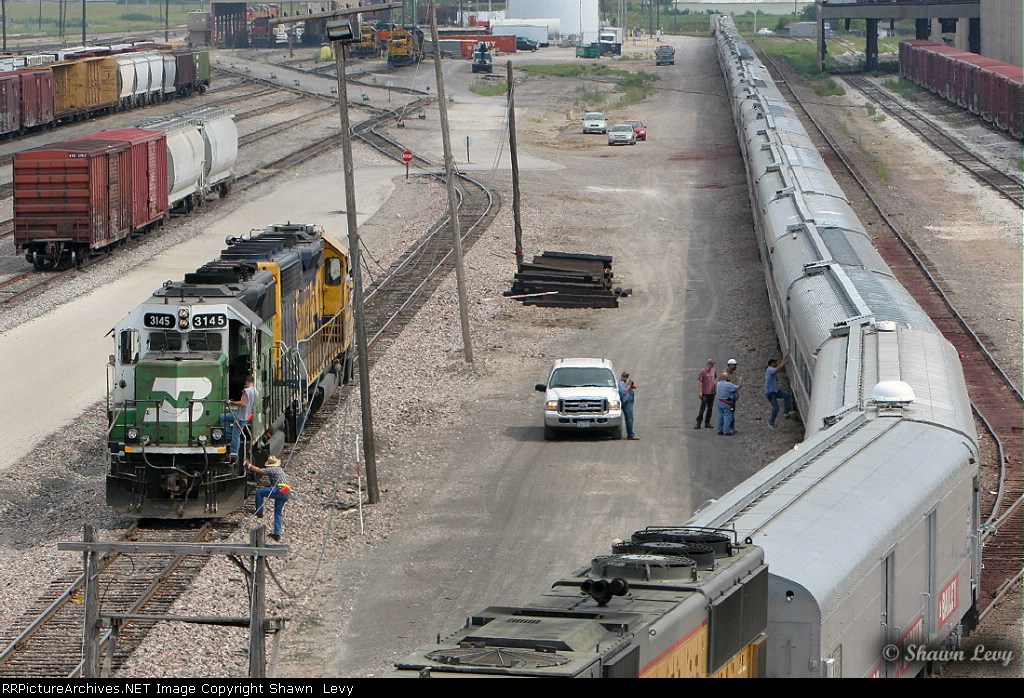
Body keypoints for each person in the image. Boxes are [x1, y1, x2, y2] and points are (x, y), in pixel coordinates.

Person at [246, 456, 291, 542]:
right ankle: (277, 534)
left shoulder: (272, 469)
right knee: (278, 513)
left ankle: (259, 512)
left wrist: (249, 465)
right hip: (287, 491)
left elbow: (260, 471)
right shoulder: (279, 469)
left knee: (259, 492)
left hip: (280, 489)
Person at [222, 375, 257, 460]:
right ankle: (229, 436)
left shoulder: (247, 391)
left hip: (241, 417)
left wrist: (230, 402)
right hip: (246, 415)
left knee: (236, 435)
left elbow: (242, 403)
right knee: (223, 417)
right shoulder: (255, 391)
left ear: (246, 381)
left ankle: (234, 453)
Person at [764, 355, 795, 430]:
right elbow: (777, 369)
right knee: (776, 408)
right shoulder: (770, 369)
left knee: (786, 395)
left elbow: (778, 367)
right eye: (775, 362)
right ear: (771, 364)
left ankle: (786, 412)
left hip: (775, 391)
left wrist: (784, 360)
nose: (776, 363)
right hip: (770, 393)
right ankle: (771, 423)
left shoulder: (772, 369)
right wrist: (784, 363)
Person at [716, 371, 741, 435]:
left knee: (720, 416)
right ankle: (726, 430)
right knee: (728, 415)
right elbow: (737, 387)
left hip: (719, 402)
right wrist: (740, 381)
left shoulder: (718, 384)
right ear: (726, 378)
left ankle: (719, 429)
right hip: (727, 403)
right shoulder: (728, 385)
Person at [695, 359, 717, 429]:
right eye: (711, 364)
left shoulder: (713, 370)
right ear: (708, 364)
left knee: (710, 408)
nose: (712, 366)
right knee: (702, 408)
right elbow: (700, 381)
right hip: (705, 393)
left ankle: (707, 422)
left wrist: (715, 387)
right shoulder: (703, 371)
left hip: (712, 393)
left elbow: (715, 378)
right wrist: (700, 391)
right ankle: (698, 423)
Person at [618, 371, 638, 440]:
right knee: (629, 419)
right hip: (626, 402)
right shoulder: (620, 383)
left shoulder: (627, 382)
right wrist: (629, 385)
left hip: (630, 402)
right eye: (624, 376)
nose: (625, 377)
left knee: (630, 419)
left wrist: (631, 384)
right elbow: (624, 392)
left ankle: (630, 433)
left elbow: (635, 386)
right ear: (622, 376)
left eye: (626, 376)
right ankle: (630, 435)